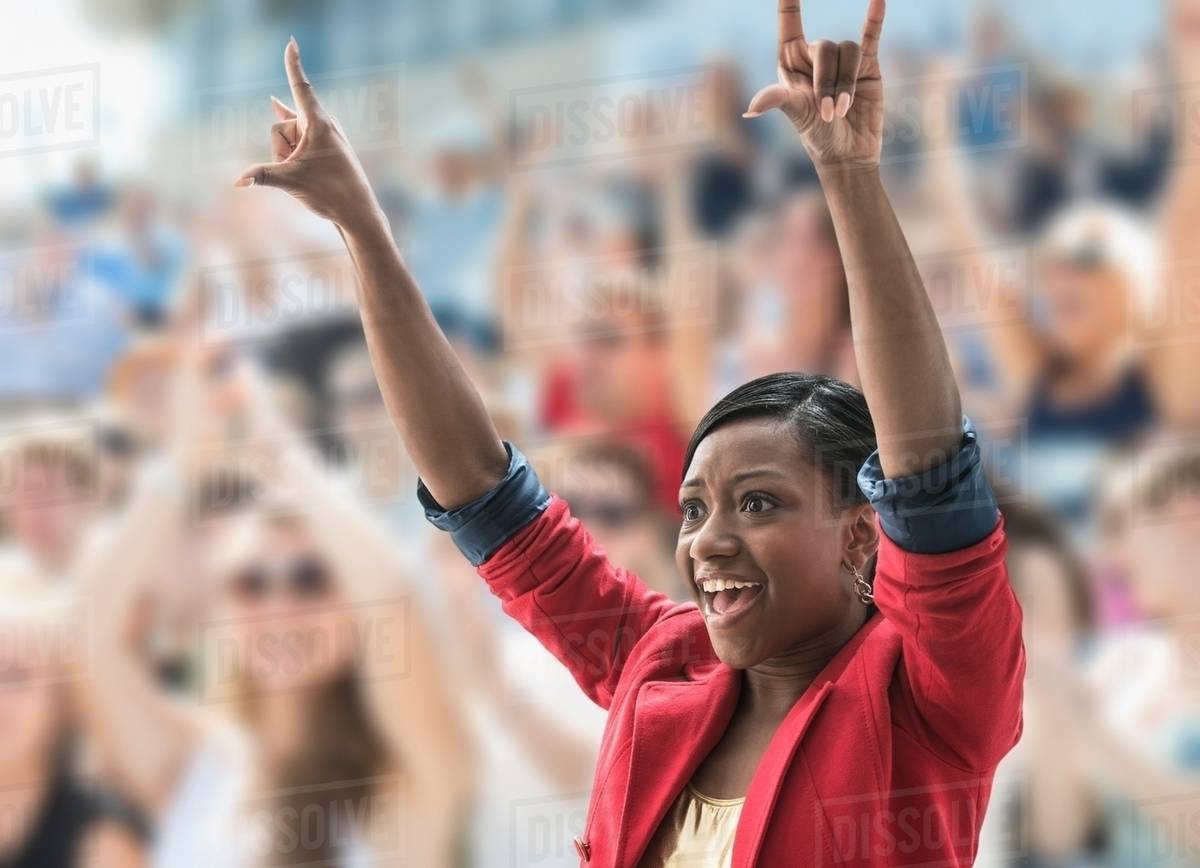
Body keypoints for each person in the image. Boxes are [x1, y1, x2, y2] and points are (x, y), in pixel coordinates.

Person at [235, 4, 1025, 864]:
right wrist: (363, 231)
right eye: (693, 509)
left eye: (757, 503)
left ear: (861, 533)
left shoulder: (930, 692)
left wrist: (850, 176)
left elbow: (928, 475)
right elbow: (482, 491)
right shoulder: (661, 661)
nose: (709, 541)